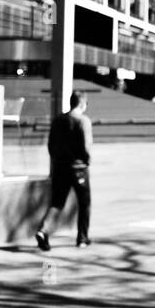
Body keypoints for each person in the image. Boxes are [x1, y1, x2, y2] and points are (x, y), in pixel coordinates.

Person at [36, 91, 93, 251]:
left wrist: (56, 160)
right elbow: (86, 146)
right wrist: (86, 161)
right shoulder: (83, 121)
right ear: (82, 104)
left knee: (57, 202)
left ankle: (42, 230)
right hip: (78, 168)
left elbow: (50, 145)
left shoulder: (58, 121)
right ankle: (82, 237)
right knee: (84, 203)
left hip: (60, 167)